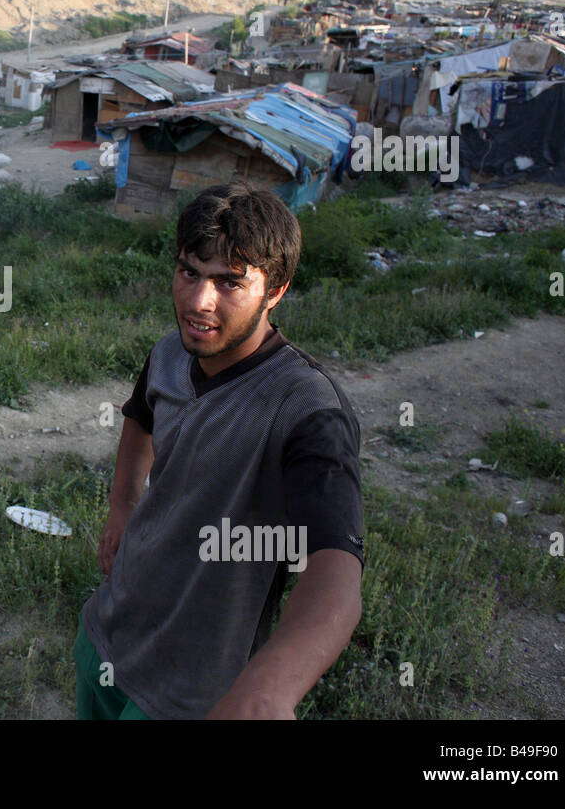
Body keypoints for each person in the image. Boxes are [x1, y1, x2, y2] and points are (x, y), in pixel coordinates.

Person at [76, 182, 365, 720]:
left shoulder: (305, 408)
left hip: (189, 691)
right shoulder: (168, 354)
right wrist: (122, 507)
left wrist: (266, 694)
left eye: (230, 281)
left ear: (275, 290)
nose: (199, 302)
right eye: (190, 272)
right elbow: (138, 423)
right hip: (105, 635)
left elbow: (337, 572)